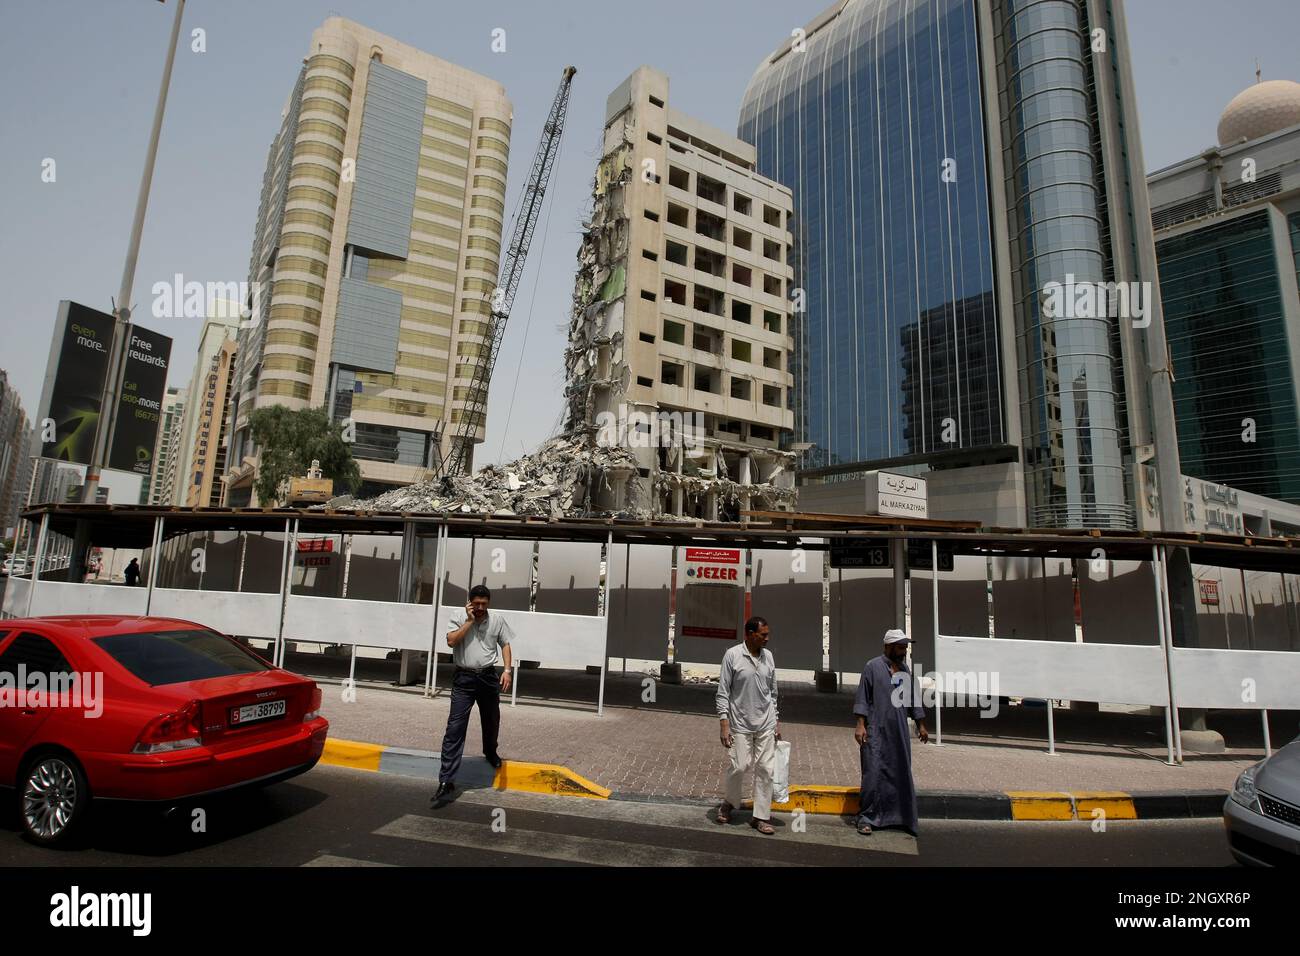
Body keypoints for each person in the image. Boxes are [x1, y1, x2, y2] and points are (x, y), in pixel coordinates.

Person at [432, 584, 513, 806]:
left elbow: (505, 644)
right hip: (464, 678)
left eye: (483, 604)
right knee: (455, 728)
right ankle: (446, 780)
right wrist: (468, 621)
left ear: (488, 603)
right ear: (469, 602)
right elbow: (450, 641)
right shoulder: (459, 616)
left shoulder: (496, 619)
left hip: (487, 677)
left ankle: (490, 751)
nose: (479, 608)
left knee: (491, 719)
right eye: (475, 604)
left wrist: (507, 670)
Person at [853, 628, 929, 836]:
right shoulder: (872, 667)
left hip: (899, 732)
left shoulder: (905, 670)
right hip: (875, 729)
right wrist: (860, 725)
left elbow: (914, 699)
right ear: (887, 646)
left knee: (899, 772)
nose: (903, 650)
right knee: (873, 773)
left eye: (905, 646)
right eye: (900, 646)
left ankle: (899, 817)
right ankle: (867, 818)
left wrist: (921, 725)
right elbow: (862, 698)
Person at [715, 616, 781, 834]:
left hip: (766, 723)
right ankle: (730, 802)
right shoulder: (732, 655)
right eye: (763, 635)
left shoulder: (769, 657)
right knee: (739, 765)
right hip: (740, 723)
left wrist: (776, 721)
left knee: (766, 770)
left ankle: (760, 817)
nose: (767, 639)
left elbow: (773, 693)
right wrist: (724, 724)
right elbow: (723, 692)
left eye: (767, 634)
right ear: (750, 634)